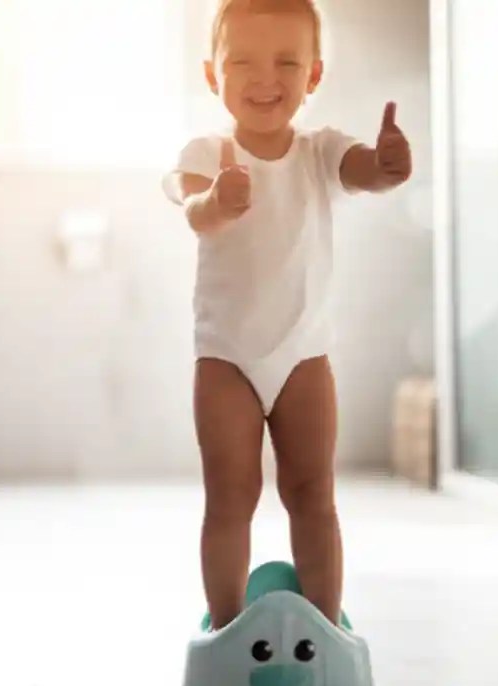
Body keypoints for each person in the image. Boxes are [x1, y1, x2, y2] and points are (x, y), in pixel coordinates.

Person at [162, 0, 412, 630]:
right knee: (229, 499)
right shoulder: (205, 150)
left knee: (313, 498)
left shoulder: (320, 150)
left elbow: (365, 172)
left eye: (285, 61)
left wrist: (387, 166)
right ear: (213, 75)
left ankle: (325, 632)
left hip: (303, 356)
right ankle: (224, 632)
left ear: (314, 76)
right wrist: (219, 199)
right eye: (241, 60)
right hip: (227, 360)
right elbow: (197, 214)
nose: (263, 77)